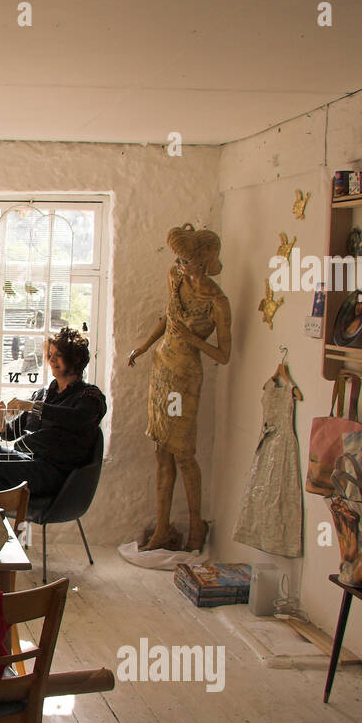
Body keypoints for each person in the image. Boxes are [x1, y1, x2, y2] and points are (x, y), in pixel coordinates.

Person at [128, 224, 232, 551]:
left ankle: (196, 526)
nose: (180, 266)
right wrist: (144, 346)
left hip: (184, 380)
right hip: (162, 372)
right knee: (161, 451)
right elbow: (167, 318)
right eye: (179, 260)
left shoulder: (218, 301)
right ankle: (162, 529)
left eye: (187, 261)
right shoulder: (175, 279)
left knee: (184, 454)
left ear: (203, 263)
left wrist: (195, 340)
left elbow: (224, 355)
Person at [0, 326, 106, 501]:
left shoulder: (90, 396)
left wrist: (33, 406)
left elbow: (78, 418)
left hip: (55, 475)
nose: (51, 360)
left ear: (75, 359)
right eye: (50, 354)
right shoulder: (45, 394)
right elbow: (9, 434)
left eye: (58, 355)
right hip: (29, 466)